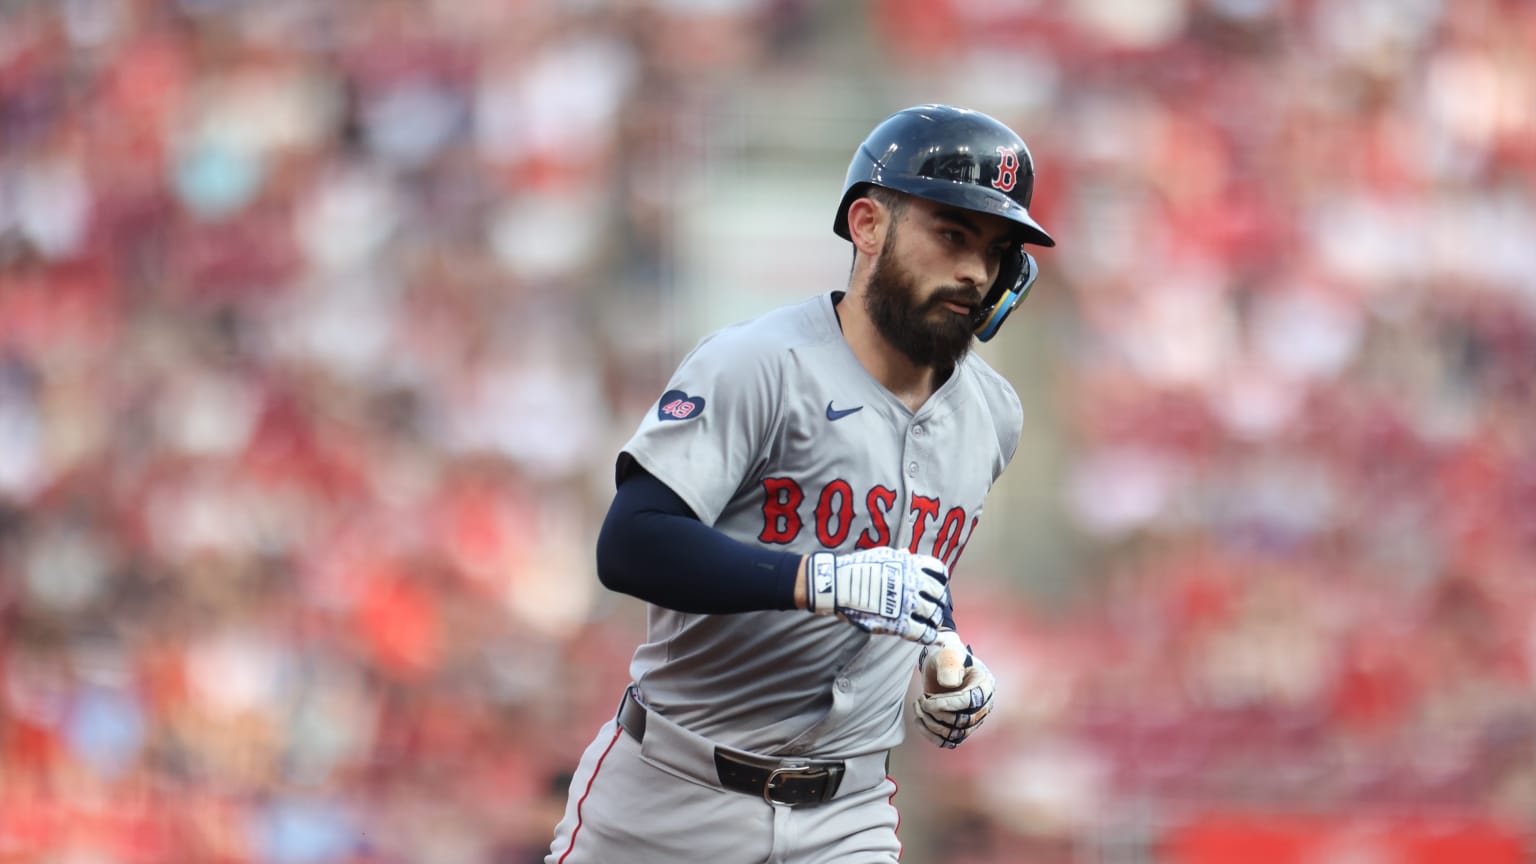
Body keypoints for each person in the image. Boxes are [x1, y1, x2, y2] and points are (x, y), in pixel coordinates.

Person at [545, 104, 1055, 864]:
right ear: (868, 225)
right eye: (952, 235)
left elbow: (907, 572)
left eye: (997, 250)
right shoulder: (759, 363)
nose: (976, 272)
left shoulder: (993, 415)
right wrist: (818, 580)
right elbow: (631, 543)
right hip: (671, 796)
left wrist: (946, 654)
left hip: (845, 816)